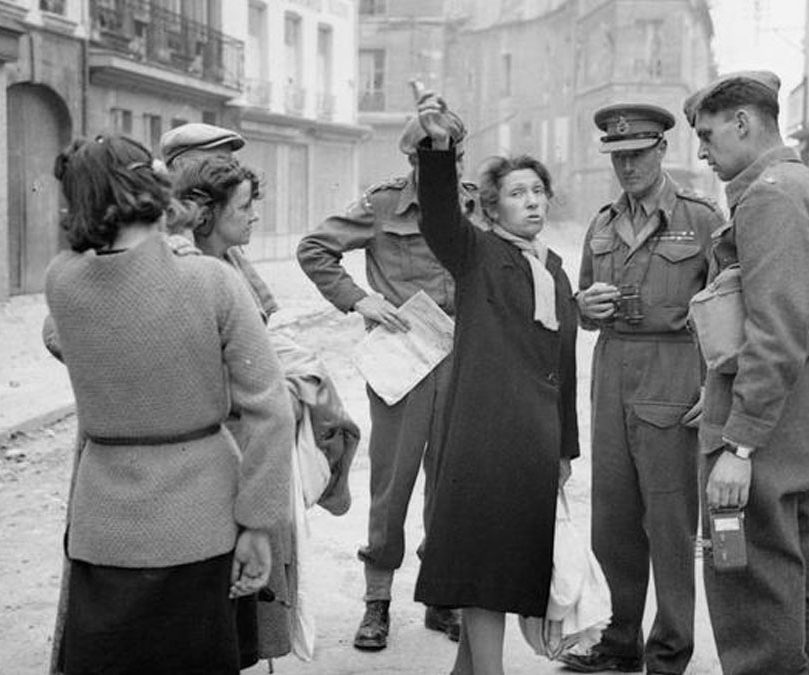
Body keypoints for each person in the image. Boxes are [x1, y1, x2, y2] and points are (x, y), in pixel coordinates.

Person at [44, 134, 293, 675]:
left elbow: (58, 335)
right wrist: (258, 523)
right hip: (201, 524)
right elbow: (271, 408)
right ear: (152, 188)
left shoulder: (61, 283)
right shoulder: (212, 281)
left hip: (102, 529)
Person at [164, 127, 362, 665]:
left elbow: (265, 327)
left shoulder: (231, 263)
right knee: (221, 597)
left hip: (253, 449)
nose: (249, 205)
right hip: (220, 453)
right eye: (220, 170)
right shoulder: (173, 268)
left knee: (252, 600)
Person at [684, 71, 809, 674]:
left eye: (707, 135)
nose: (701, 152)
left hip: (760, 431)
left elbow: (775, 332)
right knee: (785, 571)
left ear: (742, 123)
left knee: (750, 581)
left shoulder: (770, 198)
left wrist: (742, 442)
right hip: (796, 413)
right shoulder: (808, 187)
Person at [411, 87, 579, 675]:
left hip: (533, 445)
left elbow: (564, 363)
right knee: (486, 571)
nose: (531, 202)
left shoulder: (553, 270)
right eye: (516, 193)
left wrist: (565, 449)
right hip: (483, 440)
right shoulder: (476, 253)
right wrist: (438, 148)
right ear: (492, 208)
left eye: (538, 191)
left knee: (505, 570)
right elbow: (436, 214)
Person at [296, 114, 477, 650]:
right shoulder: (381, 205)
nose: (442, 167)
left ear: (461, 159)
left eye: (451, 157)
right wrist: (360, 300)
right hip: (402, 358)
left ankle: (441, 598)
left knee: (450, 483)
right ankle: (377, 601)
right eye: (428, 158)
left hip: (461, 357)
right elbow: (314, 249)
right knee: (392, 484)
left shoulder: (475, 204)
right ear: (411, 160)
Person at [561, 103, 721, 675]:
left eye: (635, 155)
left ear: (662, 151)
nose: (626, 167)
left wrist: (715, 383)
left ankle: (670, 650)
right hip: (612, 370)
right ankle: (618, 642)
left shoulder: (701, 219)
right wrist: (584, 306)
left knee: (671, 519)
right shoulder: (601, 224)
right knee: (614, 515)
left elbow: (728, 307)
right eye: (616, 157)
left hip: (674, 369)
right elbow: (580, 305)